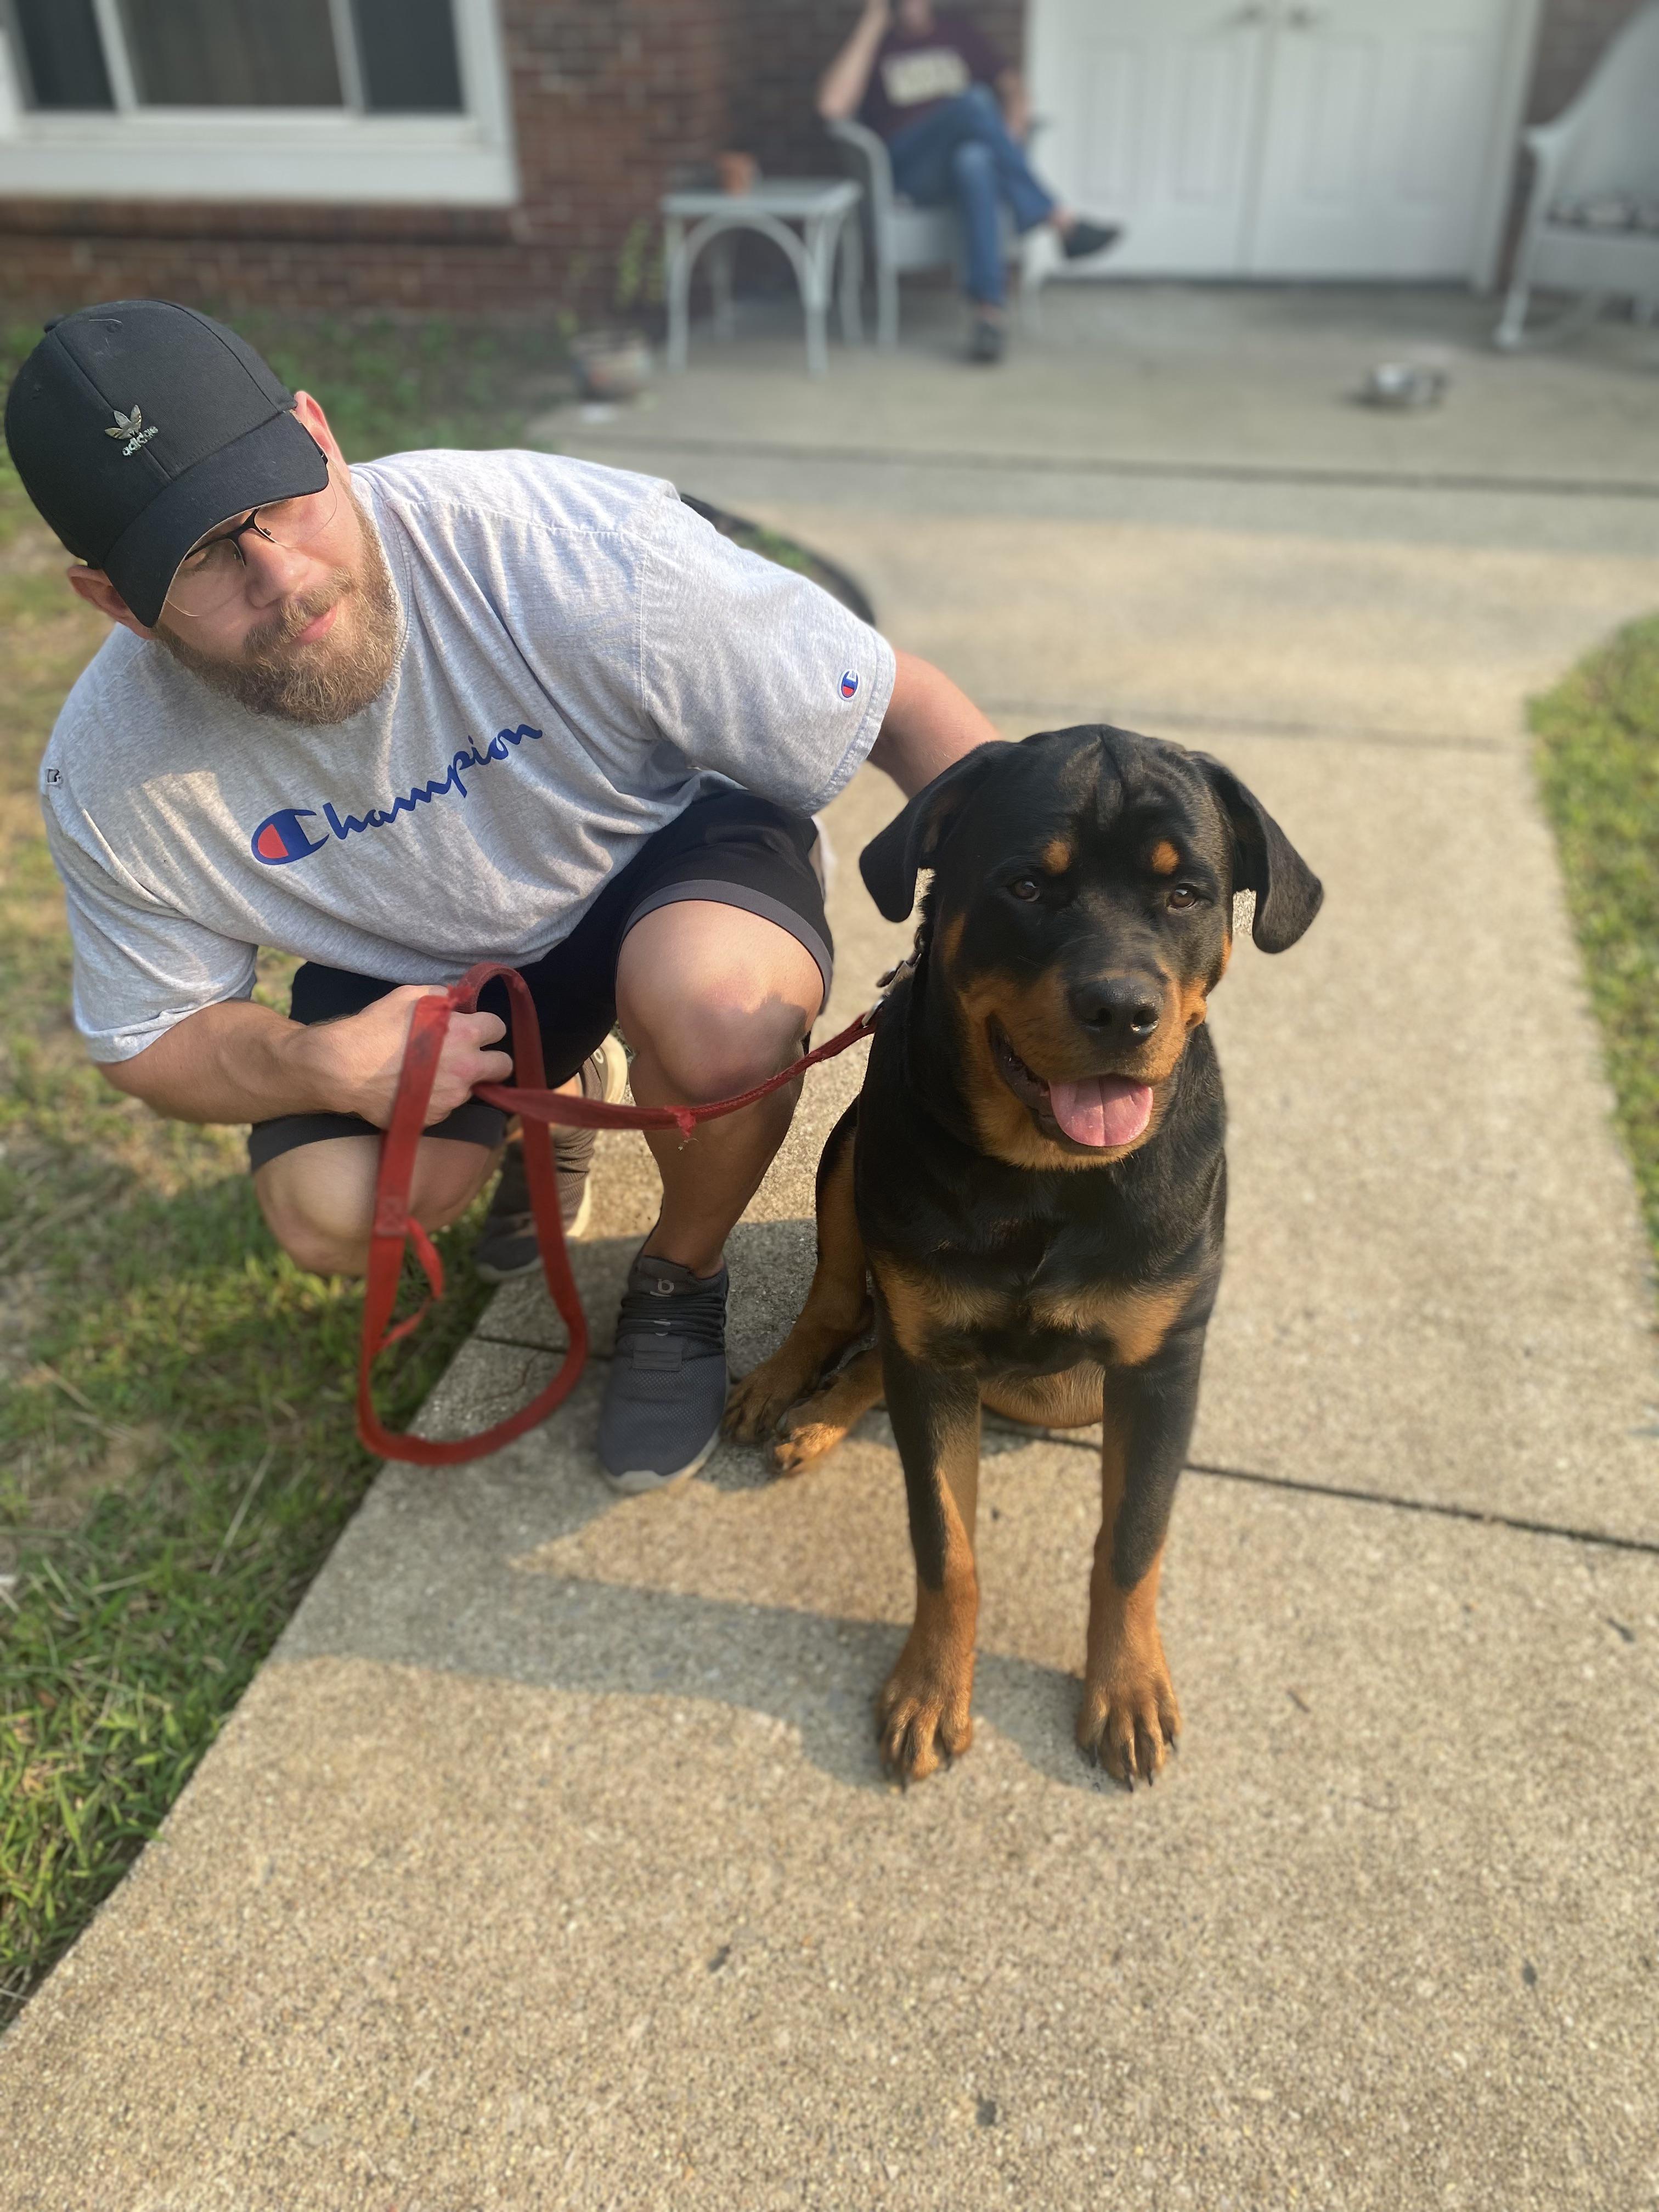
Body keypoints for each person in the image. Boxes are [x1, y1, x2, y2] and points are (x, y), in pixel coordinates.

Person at [4, 300, 1000, 1492]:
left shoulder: (571, 546)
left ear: (318, 432)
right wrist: (315, 1068)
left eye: (280, 498)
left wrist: (1014, 952)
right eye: (202, 554)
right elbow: (144, 1037)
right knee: (329, 1209)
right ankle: (561, 1081)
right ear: (112, 599)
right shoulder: (109, 773)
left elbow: (901, 708)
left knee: (719, 1020)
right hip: (423, 962)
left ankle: (678, 1285)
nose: (280, 575)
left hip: (660, 856)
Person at [818, 0, 1121, 363]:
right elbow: (832, 107)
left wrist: (1007, 133)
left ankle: (988, 316)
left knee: (976, 161)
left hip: (960, 165)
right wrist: (873, 20)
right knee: (974, 102)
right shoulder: (878, 42)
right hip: (909, 172)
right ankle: (1057, 219)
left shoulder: (958, 34)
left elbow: (1013, 88)